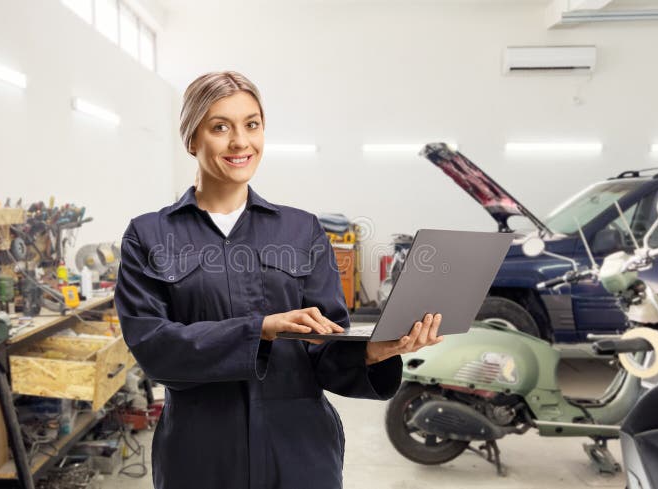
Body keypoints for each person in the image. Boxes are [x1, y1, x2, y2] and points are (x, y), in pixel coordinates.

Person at [114, 71, 444, 489]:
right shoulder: (149, 236)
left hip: (300, 452)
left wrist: (374, 351)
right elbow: (154, 348)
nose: (240, 142)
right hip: (200, 457)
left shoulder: (300, 230)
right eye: (220, 127)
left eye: (252, 125)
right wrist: (259, 330)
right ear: (192, 139)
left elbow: (325, 351)